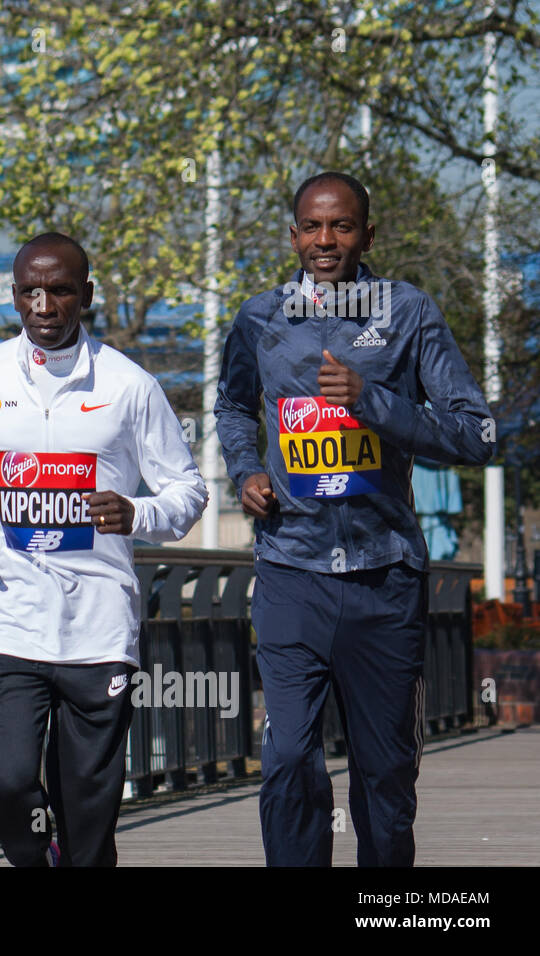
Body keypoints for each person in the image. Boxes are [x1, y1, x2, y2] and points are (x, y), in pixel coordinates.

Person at [215, 171, 494, 866]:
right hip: (290, 571)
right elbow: (229, 407)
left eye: (341, 226)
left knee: (385, 775)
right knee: (285, 758)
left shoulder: (407, 313)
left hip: (384, 576)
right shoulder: (259, 319)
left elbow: (477, 433)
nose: (325, 240)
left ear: (368, 235)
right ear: (293, 236)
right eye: (311, 226)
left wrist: (377, 402)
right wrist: (245, 470)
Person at [0, 232, 208, 866]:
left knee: (89, 815)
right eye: (30, 291)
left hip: (98, 627)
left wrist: (136, 512)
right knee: (5, 785)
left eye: (59, 290)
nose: (43, 304)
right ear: (13, 297)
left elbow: (187, 492)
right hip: (6, 617)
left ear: (85, 294)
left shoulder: (129, 385)